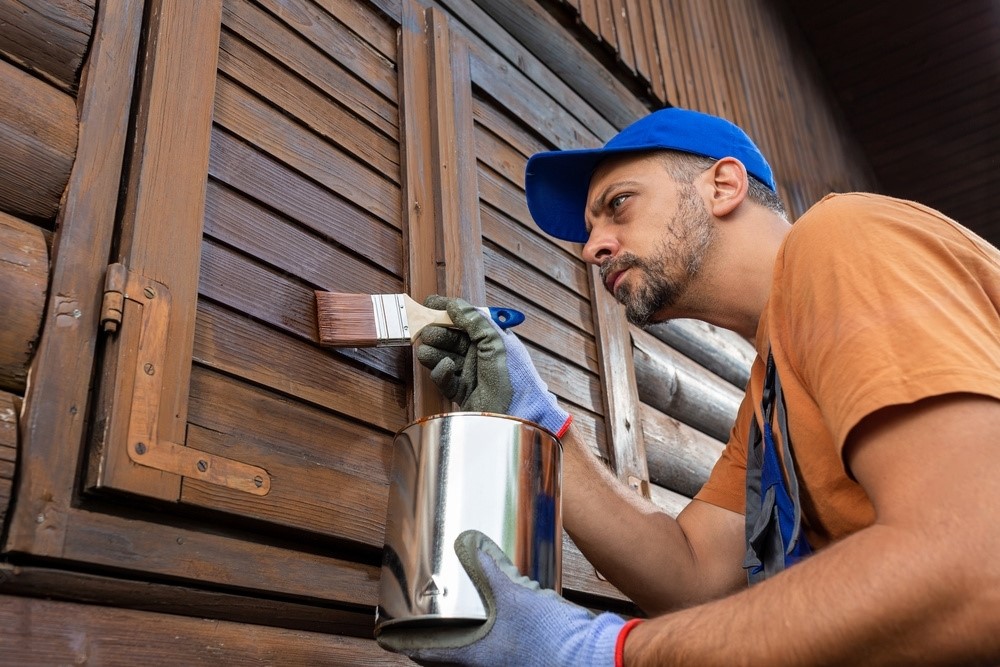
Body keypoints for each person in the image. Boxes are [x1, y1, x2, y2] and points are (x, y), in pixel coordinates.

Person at [378, 107, 1000, 665]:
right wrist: (538, 421)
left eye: (618, 204)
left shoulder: (843, 240)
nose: (593, 247)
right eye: (588, 231)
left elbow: (975, 562)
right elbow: (692, 574)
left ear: (723, 186)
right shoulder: (770, 396)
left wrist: (601, 654)